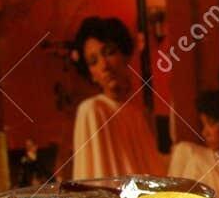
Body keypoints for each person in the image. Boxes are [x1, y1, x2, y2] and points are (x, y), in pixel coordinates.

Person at [68, 16, 162, 179]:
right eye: (93, 61)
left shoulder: (136, 115)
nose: (104, 66)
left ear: (124, 56)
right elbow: (90, 179)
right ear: (91, 75)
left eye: (109, 52)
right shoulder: (92, 110)